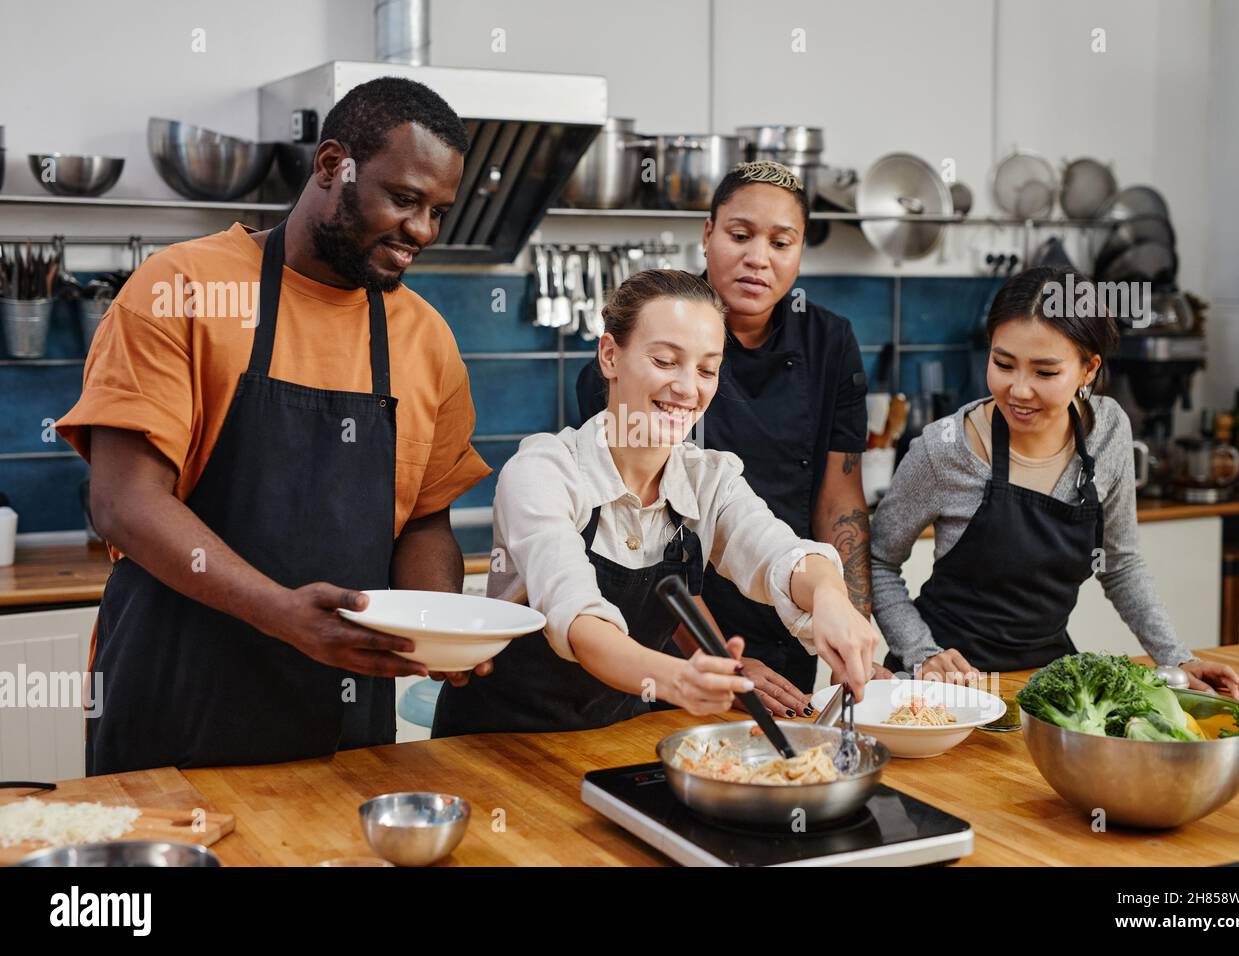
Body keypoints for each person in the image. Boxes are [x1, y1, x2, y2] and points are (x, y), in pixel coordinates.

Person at [55, 77, 495, 775]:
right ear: (331, 165)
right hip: (176, 697)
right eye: (404, 199)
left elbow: (423, 519)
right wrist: (283, 613)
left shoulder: (426, 338)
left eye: (437, 210)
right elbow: (124, 501)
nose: (422, 231)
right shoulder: (181, 289)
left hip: (344, 716)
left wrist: (440, 623)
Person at [433, 270, 878, 737]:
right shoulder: (544, 471)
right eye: (666, 361)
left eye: (707, 369)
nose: (689, 388)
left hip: (610, 739)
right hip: (496, 743)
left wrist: (830, 597)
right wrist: (681, 678)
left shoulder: (709, 479)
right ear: (610, 356)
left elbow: (778, 554)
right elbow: (580, 621)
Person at [574, 161, 883, 713]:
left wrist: (848, 621)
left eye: (781, 241)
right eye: (740, 235)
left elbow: (835, 505)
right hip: (664, 644)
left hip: (791, 623)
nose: (757, 258)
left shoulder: (830, 342)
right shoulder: (626, 379)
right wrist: (723, 663)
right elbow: (653, 545)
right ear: (708, 234)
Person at [869, 266, 1239, 697]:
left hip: (1045, 688)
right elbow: (877, 561)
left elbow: (1120, 565)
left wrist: (1178, 659)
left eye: (1045, 372)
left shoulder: (1108, 432)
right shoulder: (946, 449)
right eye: (1002, 363)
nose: (1019, 390)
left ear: (1088, 370)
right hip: (941, 690)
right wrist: (922, 652)